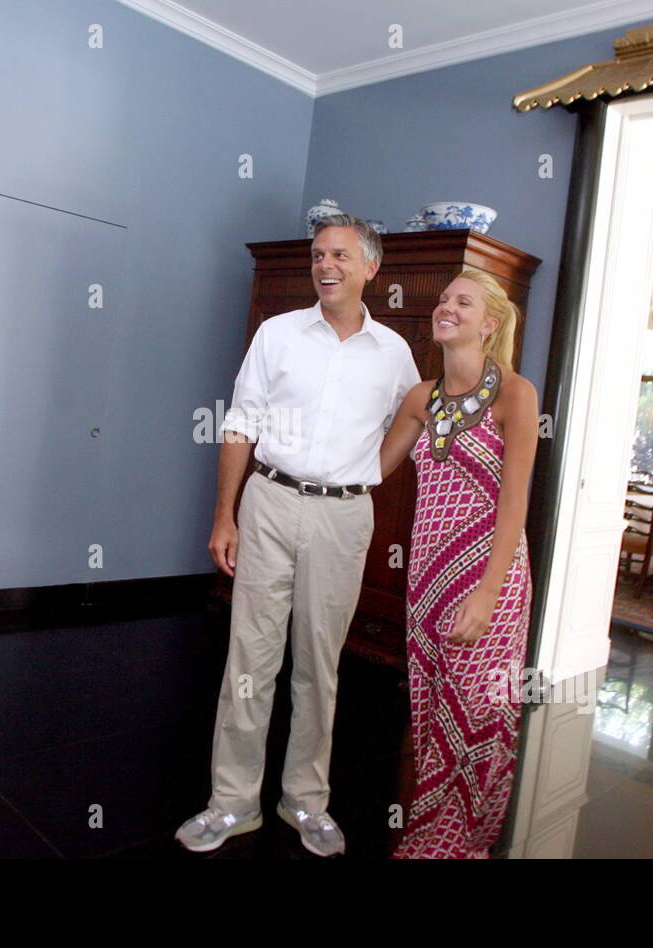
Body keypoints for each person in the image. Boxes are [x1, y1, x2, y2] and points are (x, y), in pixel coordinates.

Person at [176, 216, 420, 857]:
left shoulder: (393, 352)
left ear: (370, 267)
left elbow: (413, 418)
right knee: (249, 662)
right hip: (270, 502)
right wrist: (224, 515)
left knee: (319, 664)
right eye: (318, 254)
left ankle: (305, 801)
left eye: (340, 253)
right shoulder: (277, 334)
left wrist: (372, 472)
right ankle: (231, 804)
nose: (325, 264)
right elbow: (240, 424)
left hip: (344, 517)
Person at [379, 269, 538, 858]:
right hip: (428, 574)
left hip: (489, 578)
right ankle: (427, 828)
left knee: (478, 708)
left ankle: (461, 840)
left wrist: (488, 594)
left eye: (462, 301)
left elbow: (515, 503)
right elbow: (372, 469)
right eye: (444, 298)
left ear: (488, 323)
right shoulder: (421, 397)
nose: (446, 306)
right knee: (430, 704)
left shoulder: (516, 395)